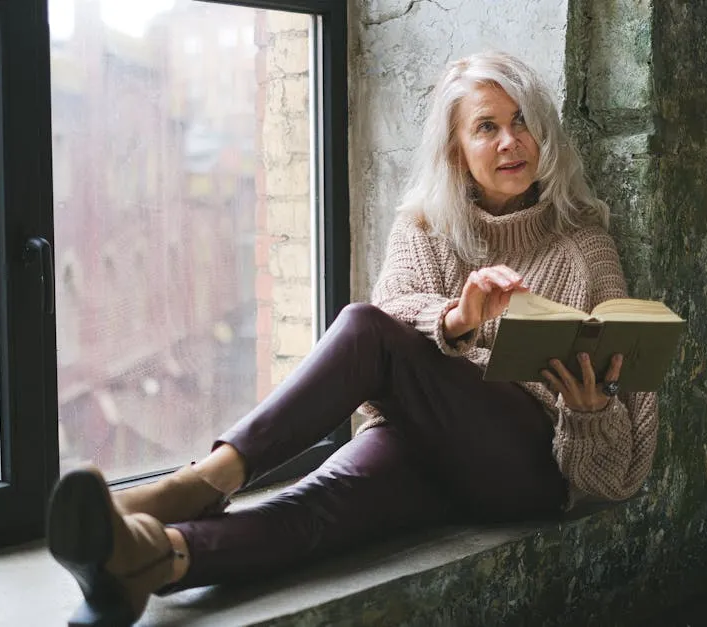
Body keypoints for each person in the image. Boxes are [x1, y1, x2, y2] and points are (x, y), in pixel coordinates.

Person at [46, 50, 658, 626]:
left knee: (365, 325)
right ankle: (154, 557)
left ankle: (197, 485)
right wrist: (454, 319)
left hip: (527, 472)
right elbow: (389, 342)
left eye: (521, 122)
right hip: (424, 448)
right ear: (456, 151)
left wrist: (588, 413)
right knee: (320, 505)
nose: (509, 141)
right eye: (486, 127)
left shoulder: (584, 250)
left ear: (543, 134)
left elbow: (617, 474)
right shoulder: (425, 227)